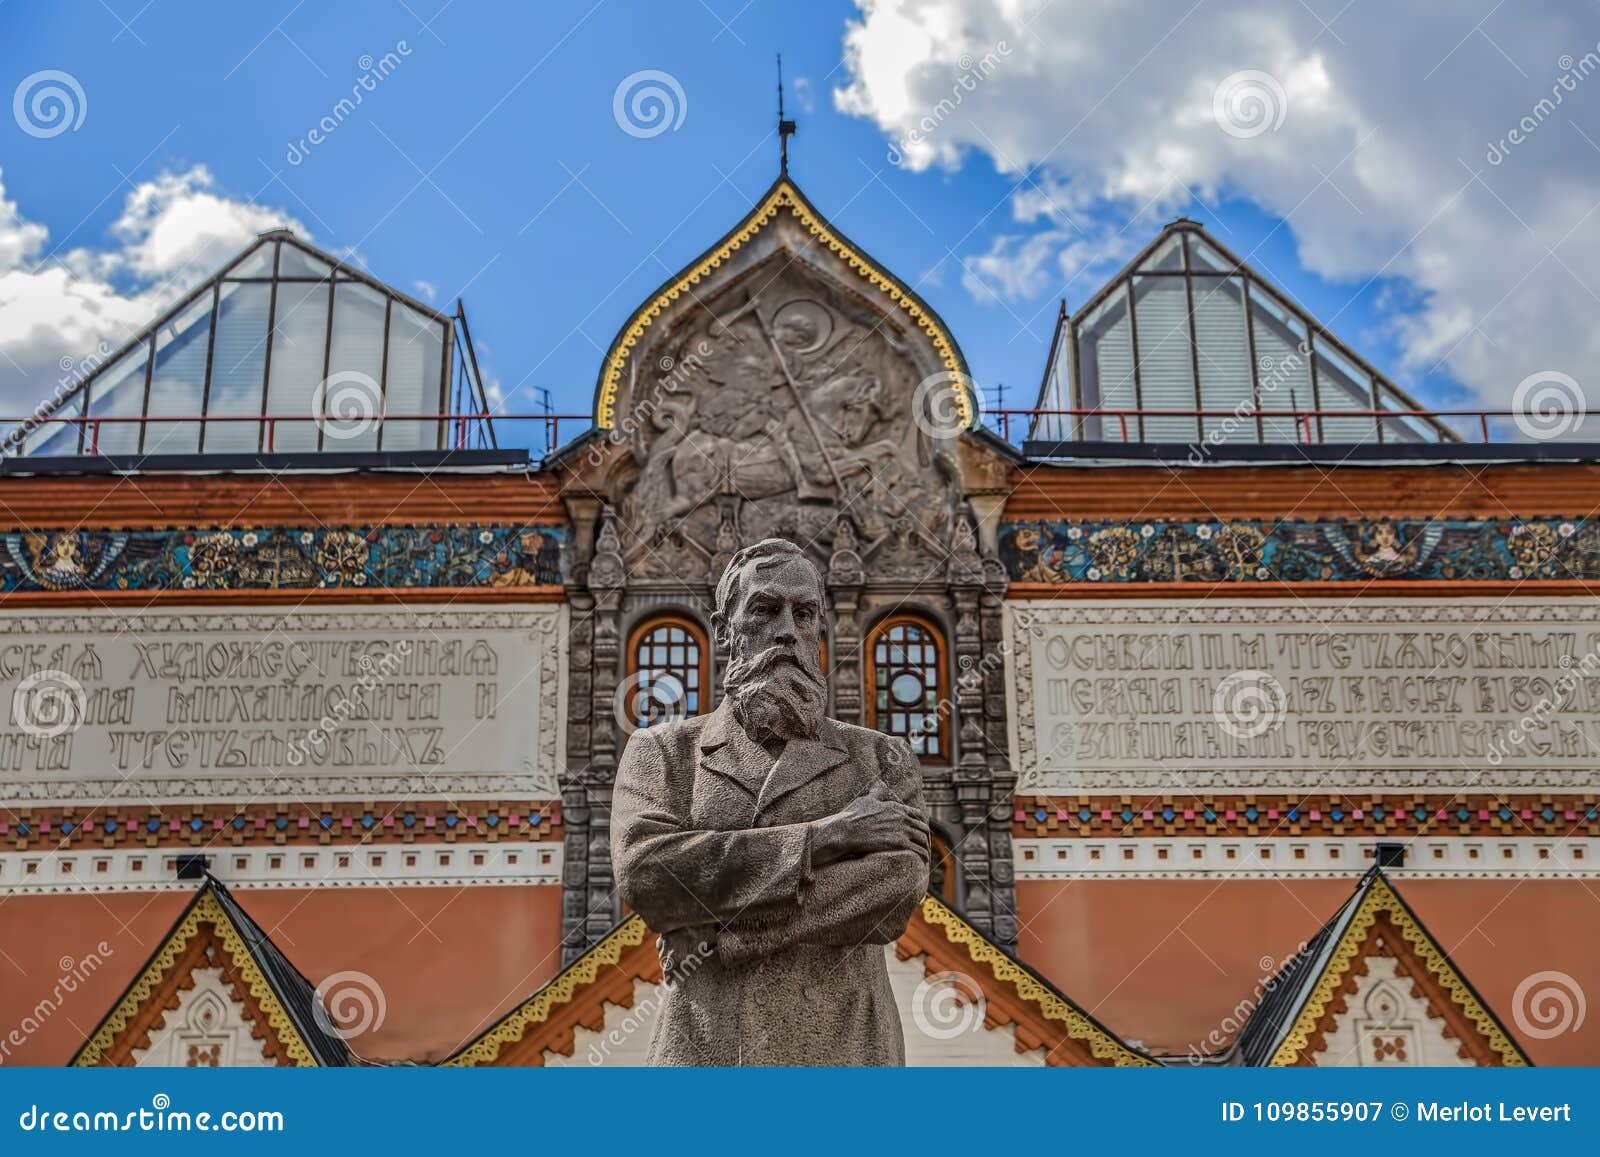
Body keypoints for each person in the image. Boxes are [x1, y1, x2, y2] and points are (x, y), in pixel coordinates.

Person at [611, 538, 930, 1065]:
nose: (786, 630)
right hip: (707, 1049)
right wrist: (829, 837)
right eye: (764, 608)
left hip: (846, 1049)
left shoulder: (881, 758)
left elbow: (895, 884)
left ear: (820, 630)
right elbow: (647, 873)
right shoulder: (663, 752)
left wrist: (720, 934)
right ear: (723, 629)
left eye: (804, 613)